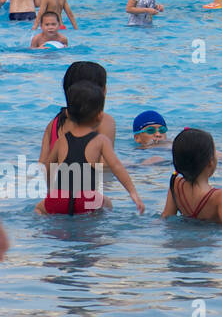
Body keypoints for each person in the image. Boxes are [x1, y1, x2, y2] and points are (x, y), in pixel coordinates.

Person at [37, 81, 145, 216]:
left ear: (68, 114)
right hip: (87, 200)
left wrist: (50, 191)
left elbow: (47, 167)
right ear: (100, 115)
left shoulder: (61, 141)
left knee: (39, 209)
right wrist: (133, 193)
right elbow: (117, 167)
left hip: (60, 200)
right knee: (107, 203)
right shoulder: (100, 140)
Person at [39, 62, 118, 164]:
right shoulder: (104, 120)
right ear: (100, 91)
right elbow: (104, 167)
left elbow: (42, 165)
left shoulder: (54, 123)